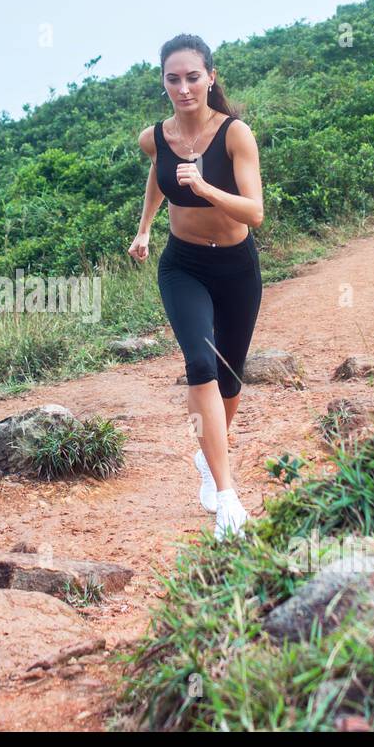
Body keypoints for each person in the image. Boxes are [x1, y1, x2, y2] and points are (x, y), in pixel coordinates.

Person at [128, 34, 265, 540]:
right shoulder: (155, 136)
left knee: (230, 378)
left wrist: (206, 187)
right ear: (163, 82)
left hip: (236, 267)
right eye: (172, 78)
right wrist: (145, 227)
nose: (183, 87)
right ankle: (227, 496)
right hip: (182, 265)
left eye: (192, 77)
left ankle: (209, 457)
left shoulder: (234, 135)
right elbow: (158, 174)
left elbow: (256, 213)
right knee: (201, 365)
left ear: (210, 77)